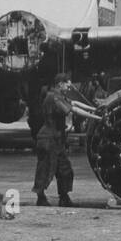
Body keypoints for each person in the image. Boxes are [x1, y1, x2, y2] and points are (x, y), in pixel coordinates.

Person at [33, 73, 75, 207]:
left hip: (58, 140)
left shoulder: (60, 96)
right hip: (48, 139)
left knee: (65, 169)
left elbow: (75, 105)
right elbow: (71, 110)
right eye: (67, 84)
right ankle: (40, 198)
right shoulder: (53, 97)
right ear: (60, 84)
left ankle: (64, 197)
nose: (69, 87)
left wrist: (94, 111)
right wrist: (95, 117)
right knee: (45, 170)